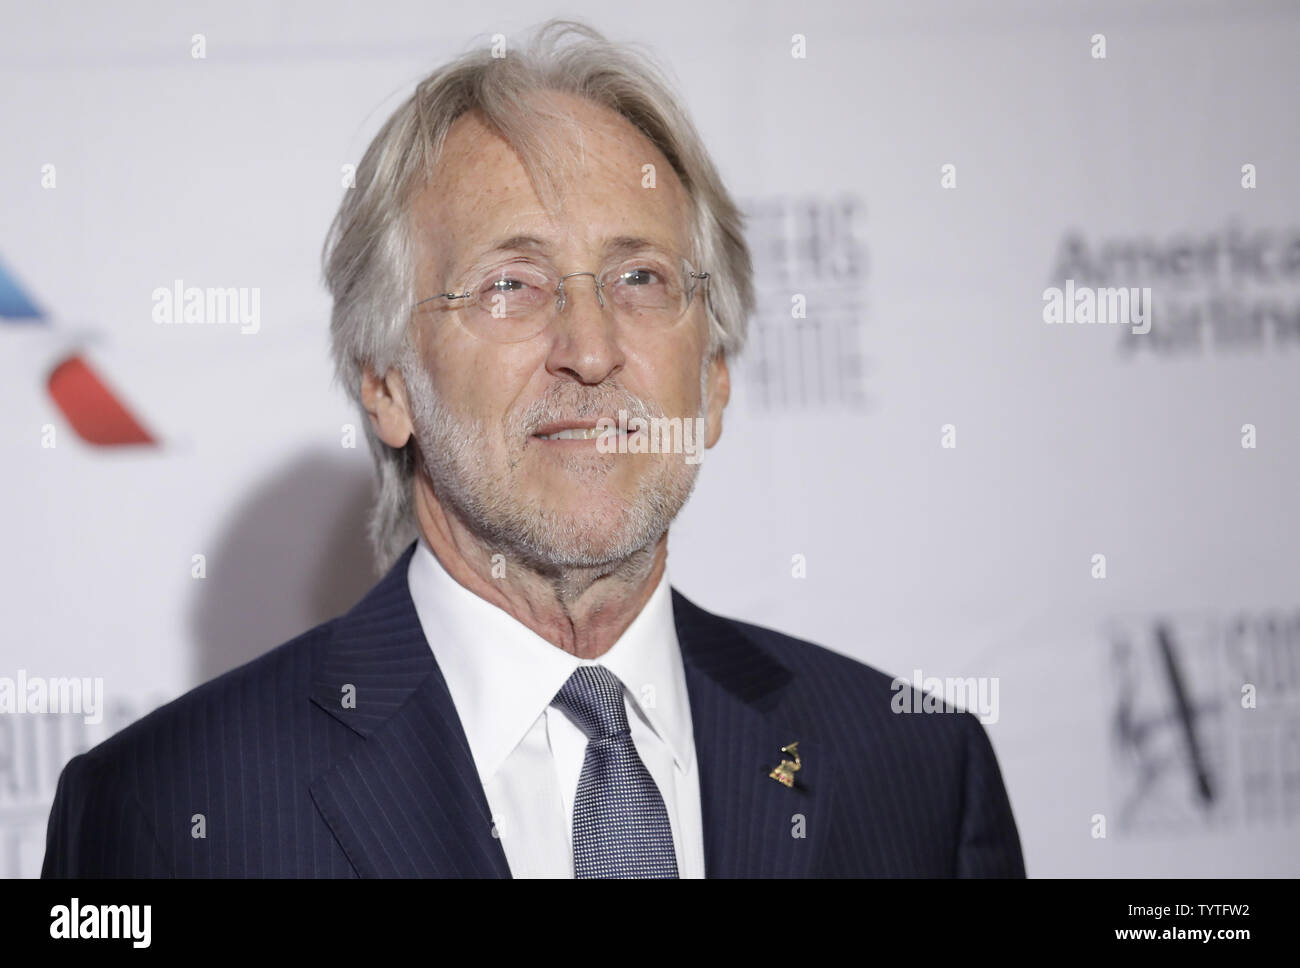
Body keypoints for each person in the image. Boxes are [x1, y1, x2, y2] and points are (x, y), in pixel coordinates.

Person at [42, 19, 1025, 878]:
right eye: (512, 284)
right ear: (386, 383)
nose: (591, 349)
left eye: (639, 278)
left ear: (715, 375)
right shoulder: (169, 809)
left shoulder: (916, 771)